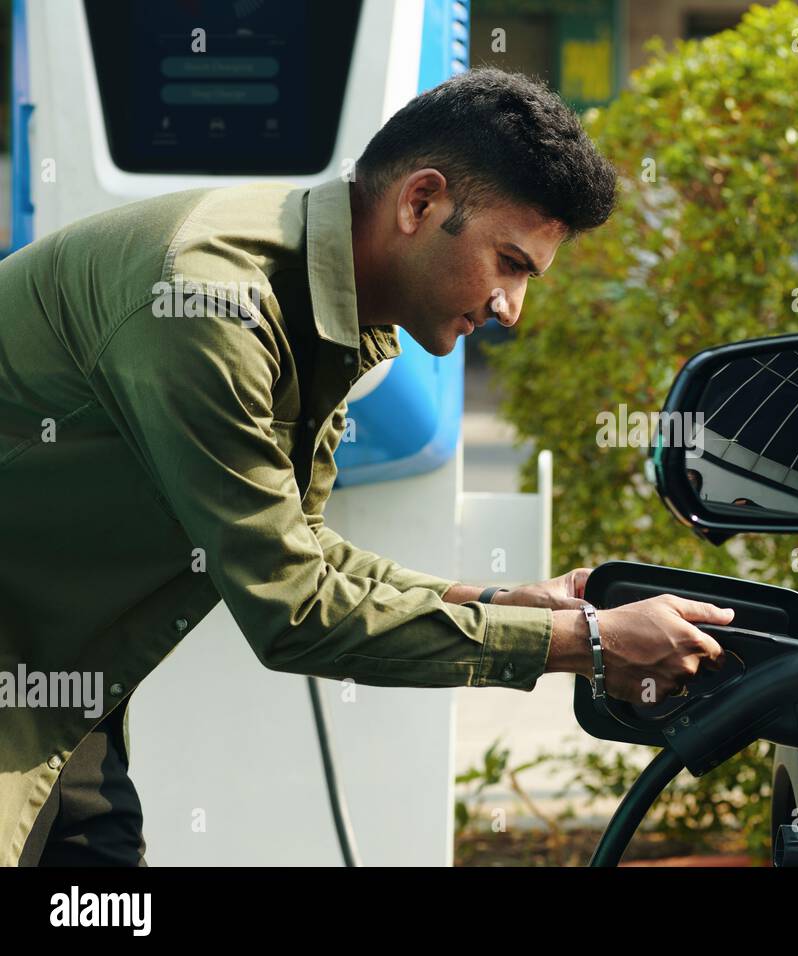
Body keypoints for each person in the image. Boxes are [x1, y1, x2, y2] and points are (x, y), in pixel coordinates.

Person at [0, 69, 731, 867]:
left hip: (56, 682)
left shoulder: (324, 300)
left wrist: (502, 601)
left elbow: (302, 553)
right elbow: (295, 610)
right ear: (419, 202)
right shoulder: (210, 304)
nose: (511, 308)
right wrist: (583, 644)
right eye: (510, 263)